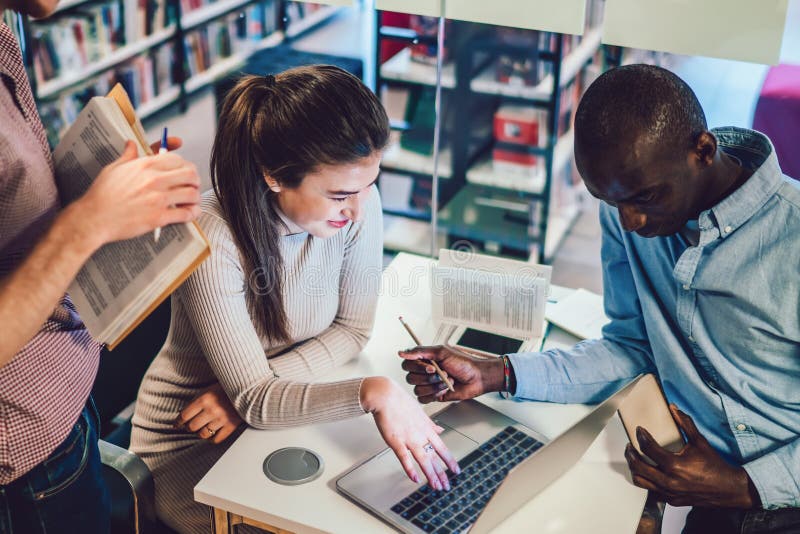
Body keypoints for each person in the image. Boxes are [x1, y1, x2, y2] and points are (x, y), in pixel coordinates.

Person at [400, 64, 800, 534]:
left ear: (702, 151)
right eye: (610, 202)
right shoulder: (629, 205)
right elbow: (630, 346)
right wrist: (497, 372)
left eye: (644, 197)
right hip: (702, 491)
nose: (629, 222)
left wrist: (744, 485)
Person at [130, 66, 459, 533]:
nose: (361, 208)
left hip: (256, 414)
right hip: (193, 448)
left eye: (370, 185)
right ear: (274, 176)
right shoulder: (212, 236)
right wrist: (373, 391)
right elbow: (258, 401)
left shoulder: (356, 202)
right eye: (341, 193)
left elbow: (352, 329)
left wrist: (247, 392)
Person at [0, 0, 202, 531]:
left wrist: (110, 192)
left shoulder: (6, 30)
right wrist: (90, 219)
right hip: (22, 473)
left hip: (62, 413)